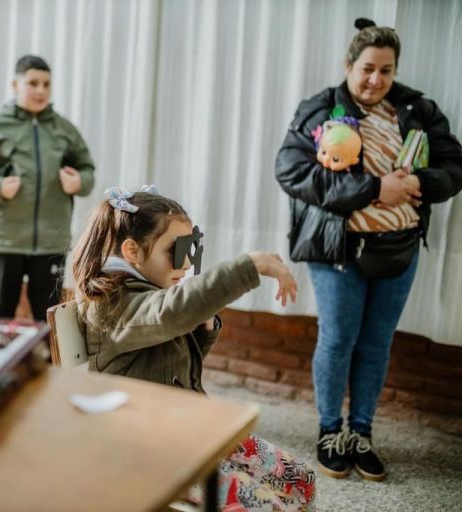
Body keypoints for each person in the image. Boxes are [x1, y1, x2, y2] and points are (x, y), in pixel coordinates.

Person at [275, 18, 462, 482]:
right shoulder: (321, 108)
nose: (376, 79)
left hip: (399, 252)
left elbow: (455, 165)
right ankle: (329, 432)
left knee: (376, 347)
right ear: (348, 65)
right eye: (367, 69)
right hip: (338, 250)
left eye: (386, 70)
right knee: (338, 341)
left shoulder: (418, 109)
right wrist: (376, 188)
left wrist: (421, 182)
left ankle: (361, 433)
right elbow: (292, 171)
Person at [72, 187, 315, 511]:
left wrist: (204, 332)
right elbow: (168, 313)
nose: (187, 263)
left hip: (186, 429)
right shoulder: (109, 304)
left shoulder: (149, 292)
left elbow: (169, 359)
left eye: (193, 247)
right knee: (269, 505)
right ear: (132, 251)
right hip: (149, 449)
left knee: (301, 479)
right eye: (178, 250)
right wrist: (250, 266)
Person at [0, 55, 95, 321]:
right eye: (33, 83)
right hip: (5, 240)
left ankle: (42, 363)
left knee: (48, 320)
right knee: (0, 317)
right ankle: (1, 363)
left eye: (46, 84)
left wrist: (78, 182)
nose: (41, 90)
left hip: (50, 243)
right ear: (15, 85)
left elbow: (87, 171)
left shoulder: (64, 129)